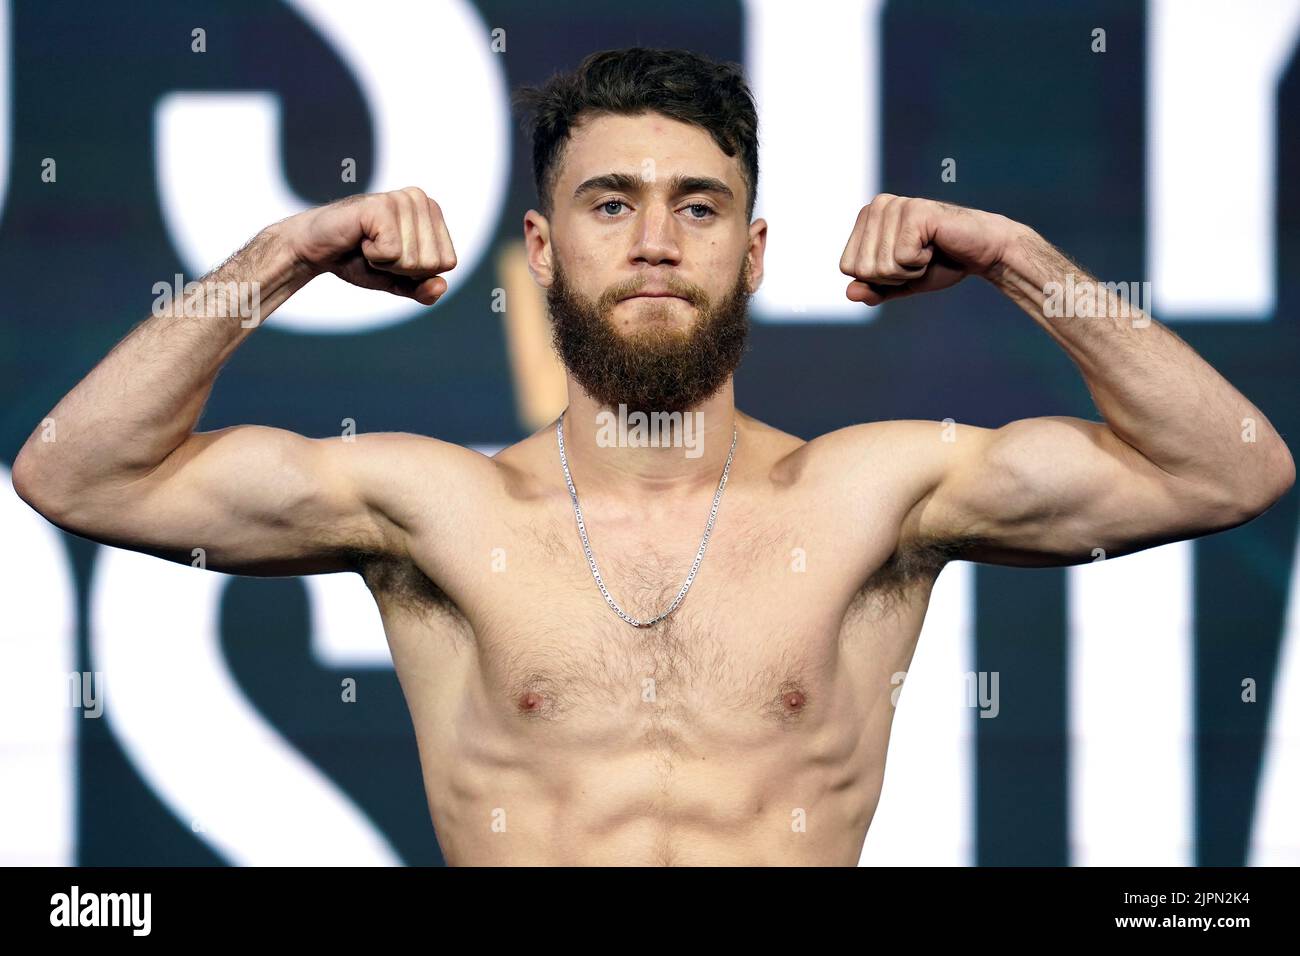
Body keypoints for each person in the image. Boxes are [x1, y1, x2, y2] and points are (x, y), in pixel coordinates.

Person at [12, 48, 1293, 866]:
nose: (655, 241)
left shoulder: (868, 496)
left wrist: (1018, 254)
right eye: (609, 203)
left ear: (753, 250)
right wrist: (284, 251)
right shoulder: (436, 507)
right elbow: (76, 472)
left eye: (698, 205)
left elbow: (1227, 469)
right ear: (545, 245)